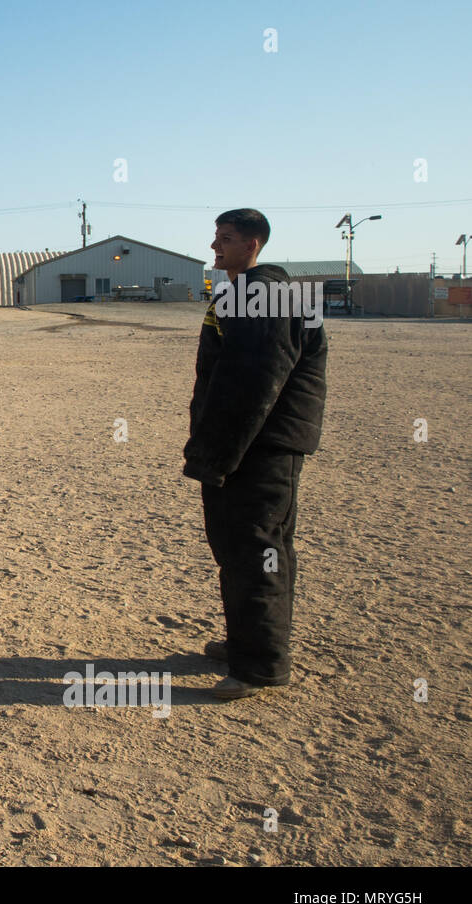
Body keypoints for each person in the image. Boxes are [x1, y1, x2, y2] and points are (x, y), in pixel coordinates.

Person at [184, 208, 327, 699]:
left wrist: (216, 457)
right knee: (247, 549)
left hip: (258, 448)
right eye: (215, 237)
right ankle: (247, 643)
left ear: (254, 244)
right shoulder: (255, 292)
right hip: (256, 444)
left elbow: (250, 385)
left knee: (256, 551)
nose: (214, 247)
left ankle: (259, 666)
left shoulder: (262, 295)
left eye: (225, 238)